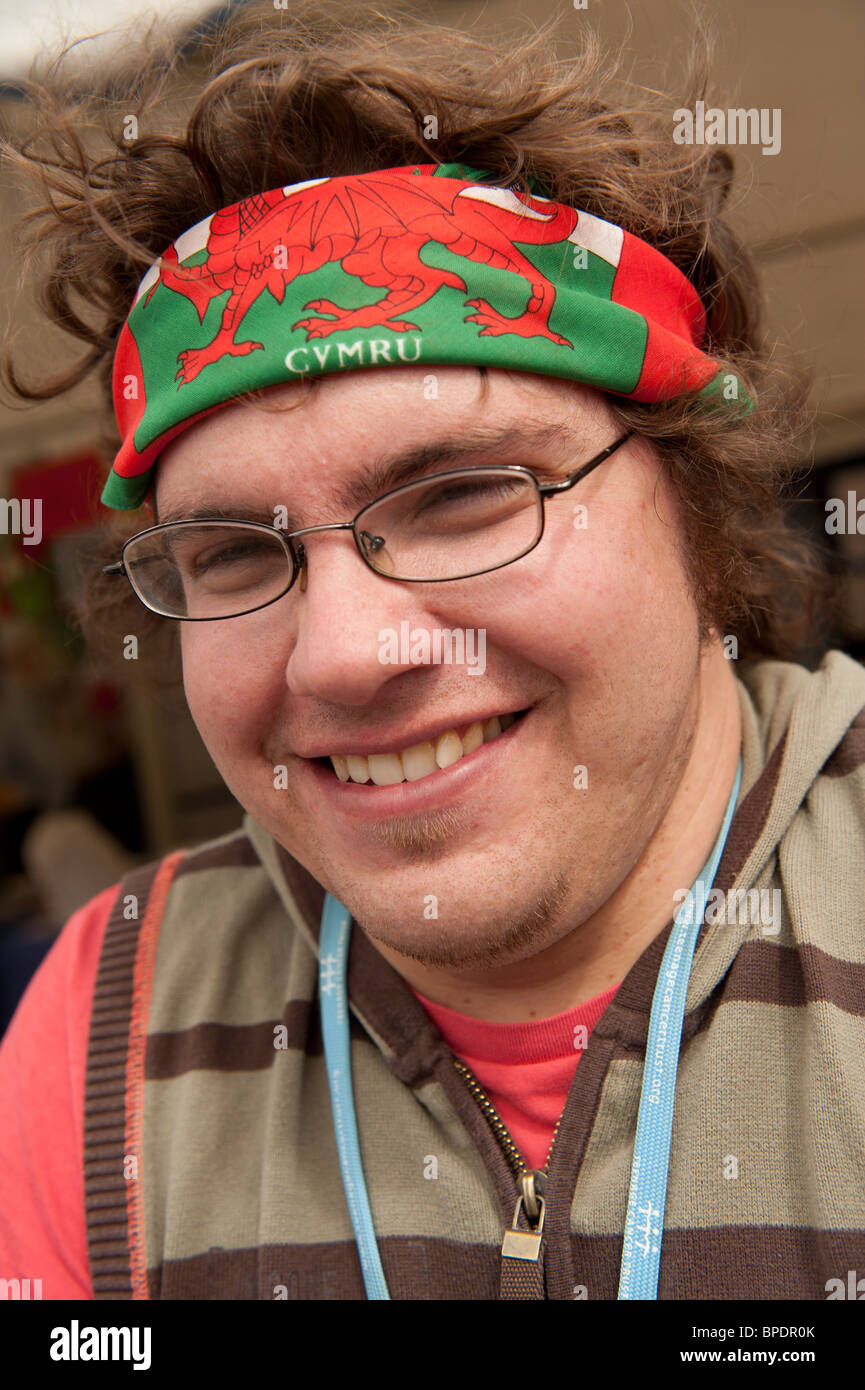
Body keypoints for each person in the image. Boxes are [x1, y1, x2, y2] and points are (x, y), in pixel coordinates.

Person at [1, 5, 863, 1303]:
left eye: (465, 493)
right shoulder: (109, 1017)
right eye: (233, 549)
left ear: (695, 506)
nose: (344, 655)